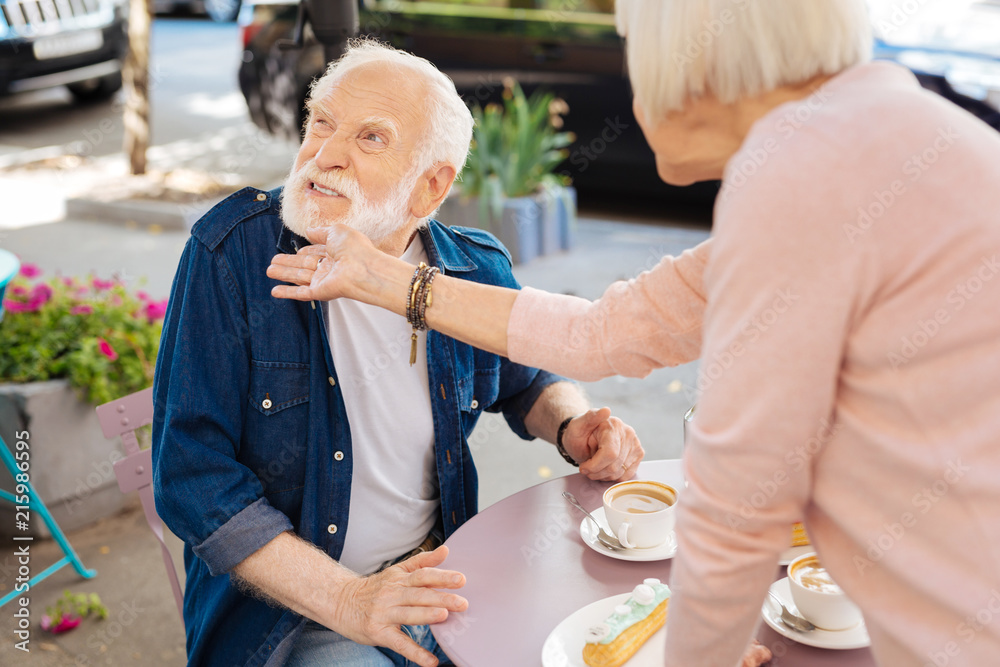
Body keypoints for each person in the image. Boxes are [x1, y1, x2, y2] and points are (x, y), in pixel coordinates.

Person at [268, 1, 1000, 665]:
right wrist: (385, 279)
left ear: (693, 54)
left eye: (633, 50)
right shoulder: (883, 135)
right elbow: (605, 332)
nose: (634, 89)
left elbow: (736, 511)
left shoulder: (803, 175)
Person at [152, 40, 645, 667]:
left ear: (429, 188)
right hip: (298, 615)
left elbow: (526, 378)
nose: (324, 155)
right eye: (322, 122)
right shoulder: (232, 255)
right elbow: (192, 478)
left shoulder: (470, 267)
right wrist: (351, 601)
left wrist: (574, 425)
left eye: (371, 138)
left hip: (443, 575)